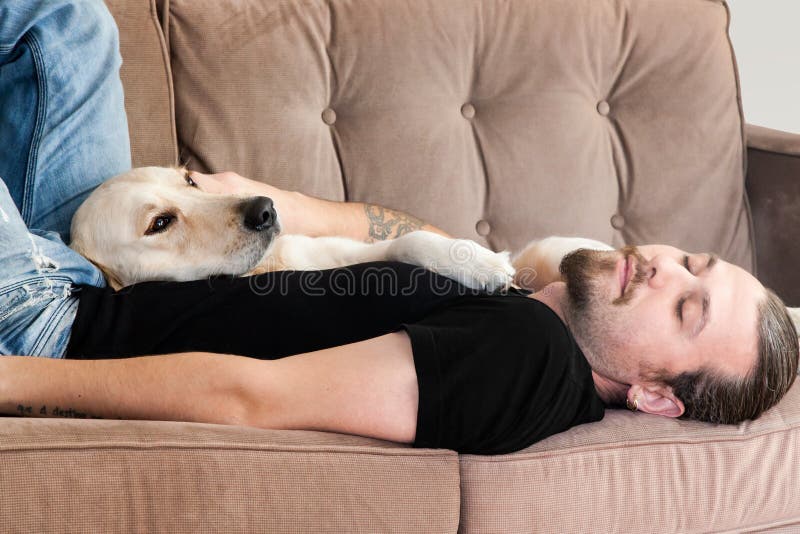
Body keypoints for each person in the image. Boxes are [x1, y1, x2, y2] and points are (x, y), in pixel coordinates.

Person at [0, 0, 797, 455]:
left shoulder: (526, 362)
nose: (667, 269)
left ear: (656, 397)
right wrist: (268, 194)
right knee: (64, 21)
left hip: (51, 324)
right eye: (694, 261)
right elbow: (401, 236)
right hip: (86, 255)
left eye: (687, 308)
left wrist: (17, 379)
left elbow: (252, 397)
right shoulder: (521, 301)